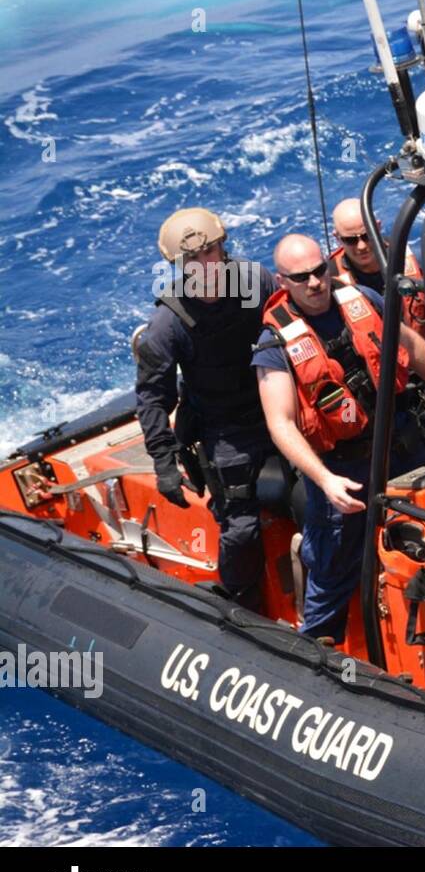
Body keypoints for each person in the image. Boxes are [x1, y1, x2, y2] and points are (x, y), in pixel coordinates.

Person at [253, 234, 425, 643]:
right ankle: (320, 648)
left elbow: (410, 345)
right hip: (344, 467)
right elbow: (281, 422)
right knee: (334, 565)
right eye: (302, 277)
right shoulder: (275, 346)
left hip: (401, 443)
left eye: (320, 270)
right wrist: (324, 480)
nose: (316, 283)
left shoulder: (362, 300)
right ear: (282, 281)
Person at [135, 207, 277, 611]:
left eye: (211, 252)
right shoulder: (169, 323)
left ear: (223, 249)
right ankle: (242, 608)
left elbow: (293, 325)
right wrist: (164, 463)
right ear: (177, 267)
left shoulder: (255, 281)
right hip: (226, 428)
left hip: (280, 406)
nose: (205, 265)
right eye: (191, 260)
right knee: (242, 531)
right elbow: (152, 396)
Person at [327, 198, 425, 385]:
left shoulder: (416, 260)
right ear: (337, 238)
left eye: (366, 236)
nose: (361, 246)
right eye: (350, 240)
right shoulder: (331, 283)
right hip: (384, 383)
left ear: (377, 227)